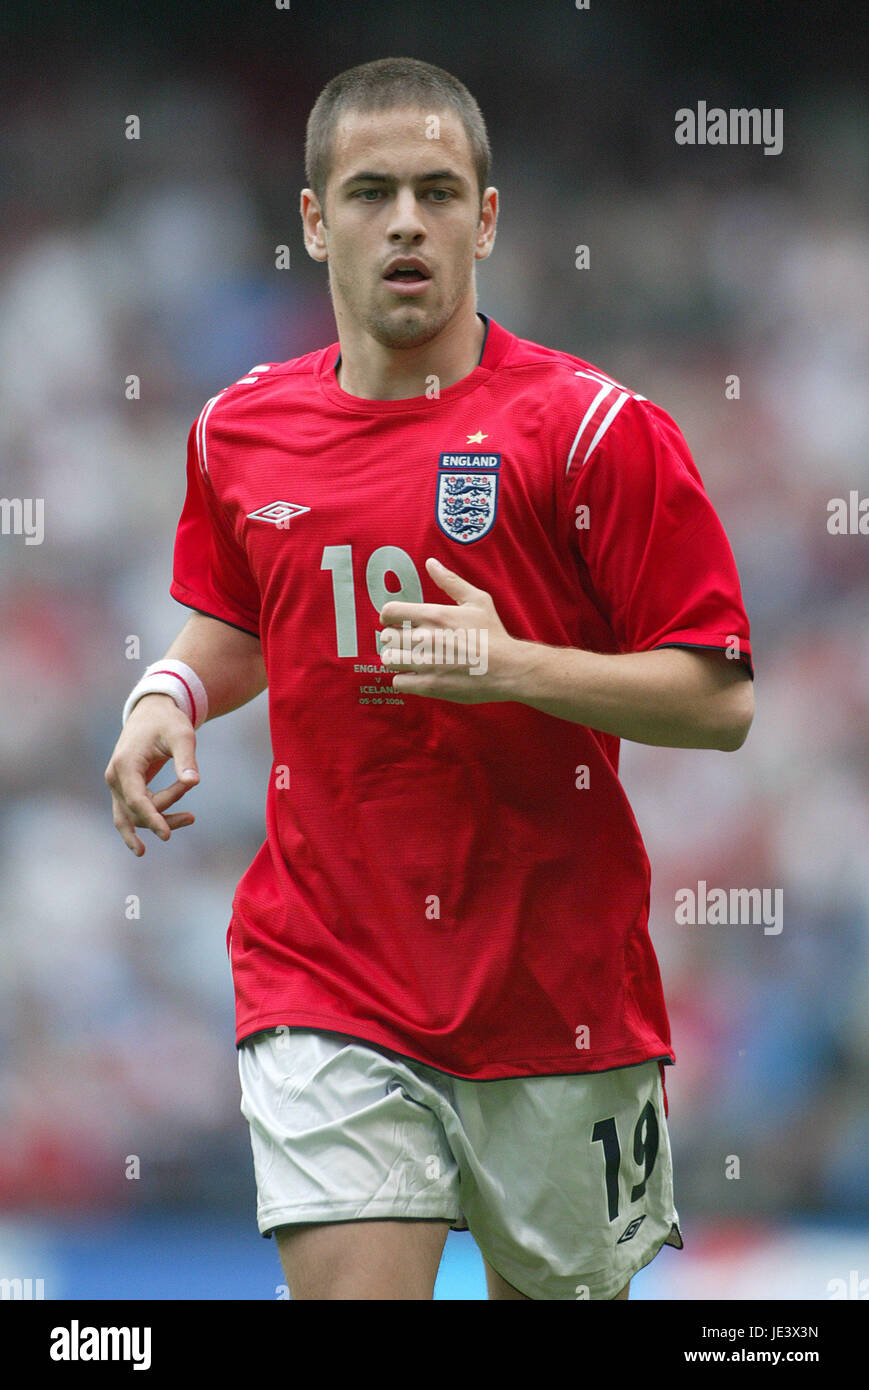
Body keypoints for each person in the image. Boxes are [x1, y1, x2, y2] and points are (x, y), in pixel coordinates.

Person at [104, 56, 754, 1301]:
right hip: (325, 969)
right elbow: (245, 620)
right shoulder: (236, 430)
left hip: (552, 994)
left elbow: (717, 700)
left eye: (438, 191)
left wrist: (509, 665)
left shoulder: (592, 431)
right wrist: (165, 698)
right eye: (369, 192)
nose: (405, 220)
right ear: (313, 221)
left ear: (487, 218)